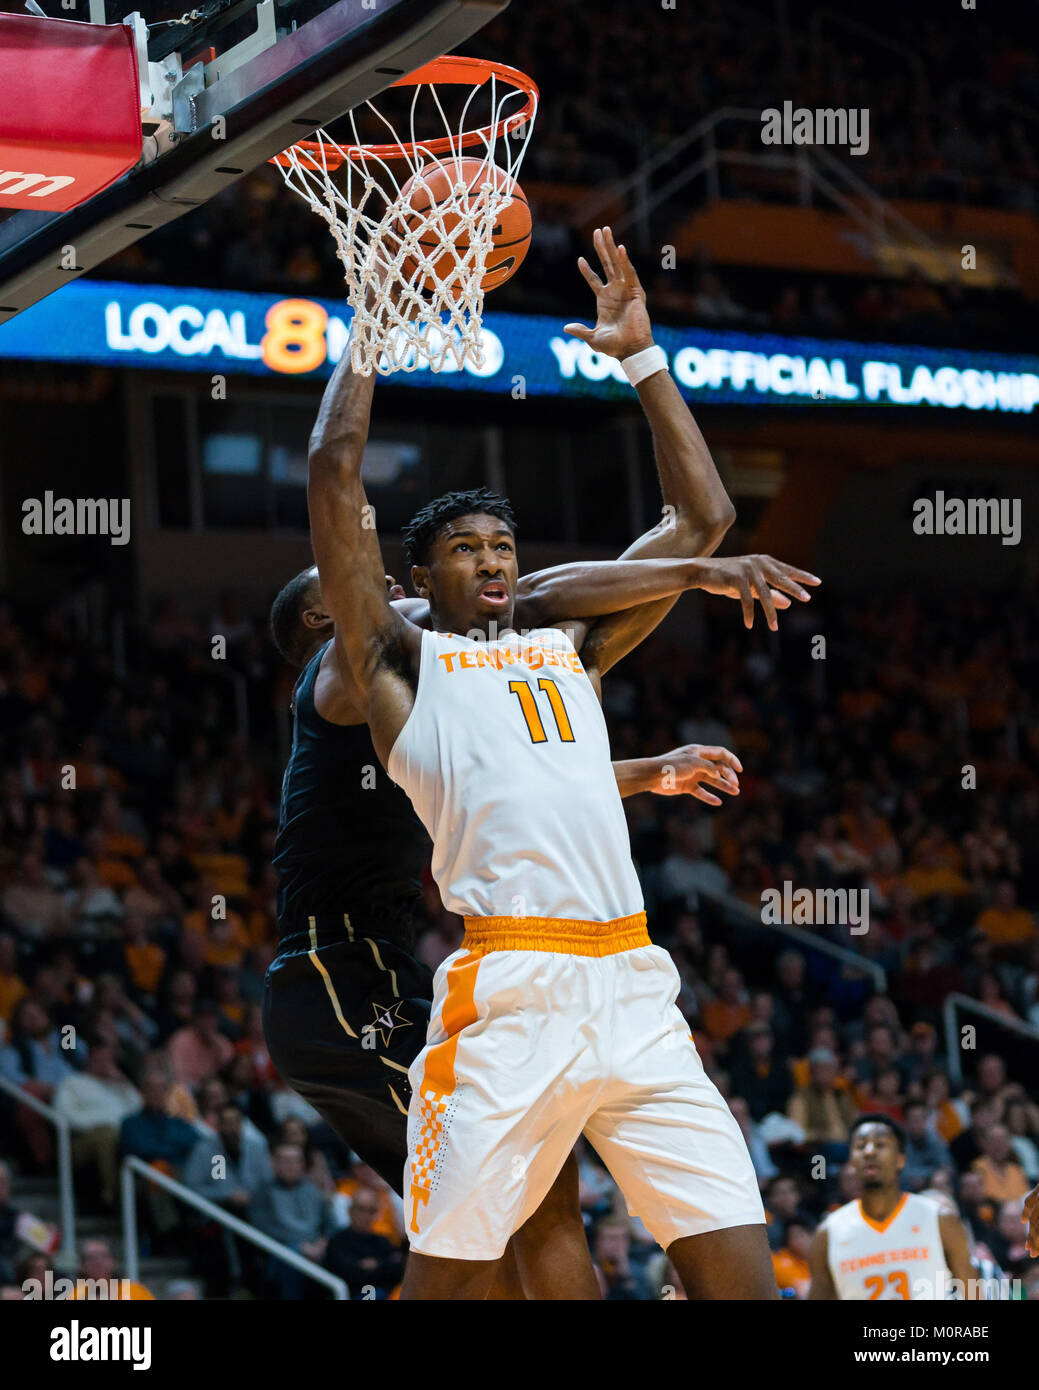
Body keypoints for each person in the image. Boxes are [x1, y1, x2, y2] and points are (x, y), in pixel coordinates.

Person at [312, 233, 820, 1300]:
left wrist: (643, 359)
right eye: (466, 548)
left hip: (635, 986)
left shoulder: (569, 649)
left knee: (746, 1283)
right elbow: (332, 472)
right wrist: (368, 321)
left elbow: (704, 522)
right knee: (444, 1289)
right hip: (510, 992)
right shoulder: (400, 671)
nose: (492, 558)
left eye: (504, 543)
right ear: (418, 577)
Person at [808, 1115, 978, 1300]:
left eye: (880, 1144)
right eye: (860, 1146)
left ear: (900, 1160)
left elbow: (973, 1294)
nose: (869, 1152)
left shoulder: (939, 1219)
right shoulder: (828, 1234)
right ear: (851, 1162)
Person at [249, 1142, 337, 1299]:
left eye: (297, 1160)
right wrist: (301, 1246)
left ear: (303, 1164)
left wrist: (323, 1242)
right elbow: (262, 1229)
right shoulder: (263, 1192)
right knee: (293, 1260)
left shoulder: (314, 1190)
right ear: (275, 1164)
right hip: (282, 1252)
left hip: (317, 1248)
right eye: (286, 1160)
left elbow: (331, 1225)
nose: (292, 1165)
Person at [324, 1185, 404, 1298]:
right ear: (350, 1211)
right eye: (361, 1209)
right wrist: (383, 1266)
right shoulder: (338, 1241)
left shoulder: (383, 1241)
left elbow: (398, 1270)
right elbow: (350, 1276)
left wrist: (375, 1265)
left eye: (371, 1211)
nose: (366, 1216)